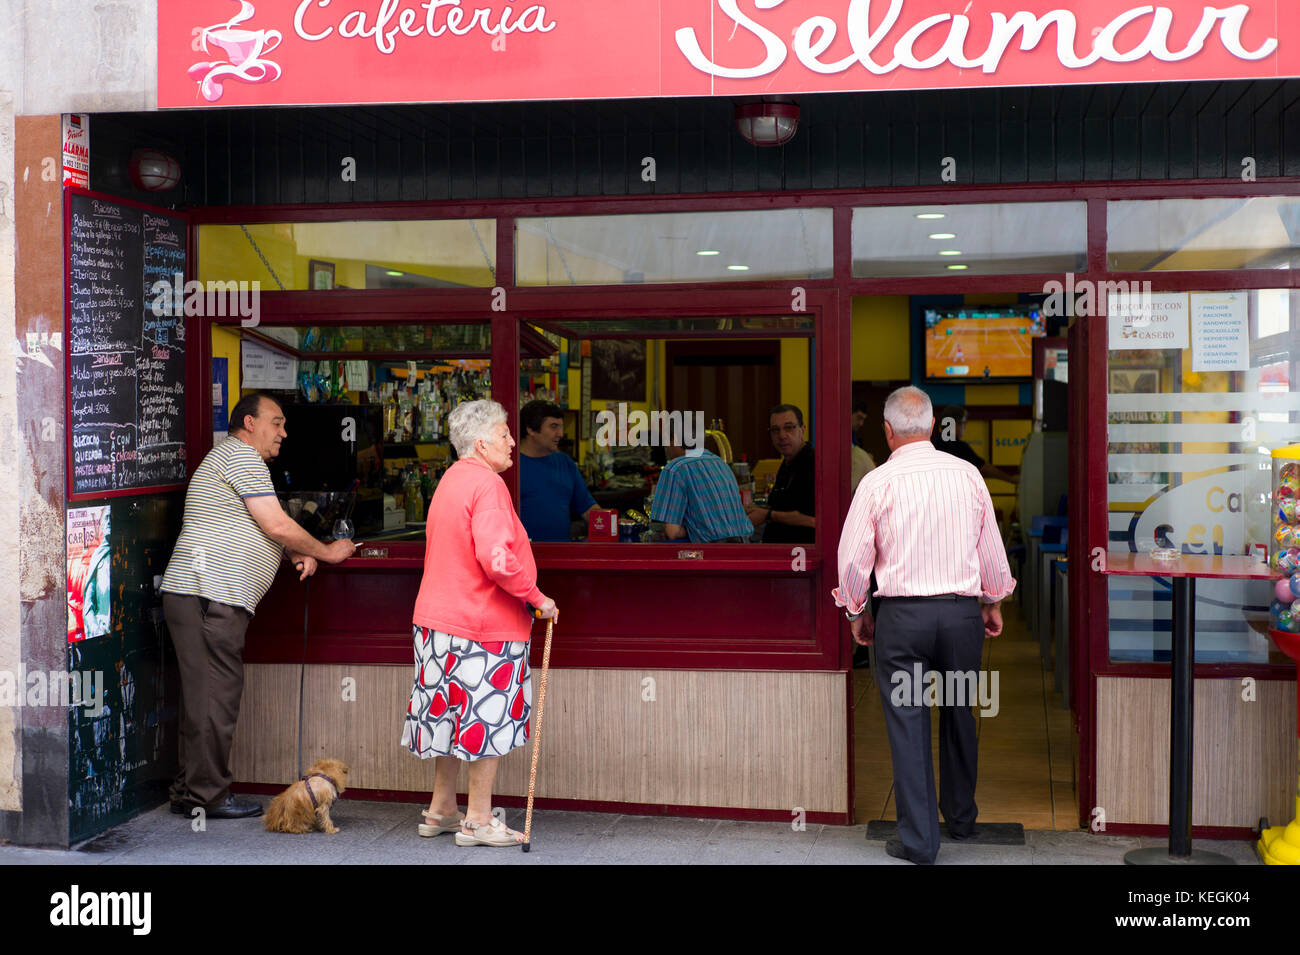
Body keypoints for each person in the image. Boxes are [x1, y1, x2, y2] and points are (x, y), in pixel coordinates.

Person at [834, 386, 1015, 864]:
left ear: (888, 431)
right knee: (959, 714)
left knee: (908, 723)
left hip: (903, 619)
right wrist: (992, 600)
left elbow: (852, 558)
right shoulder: (968, 475)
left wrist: (856, 612)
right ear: (934, 427)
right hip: (959, 616)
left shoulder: (876, 481)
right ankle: (961, 819)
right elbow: (990, 547)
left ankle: (919, 841)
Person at [161, 392, 357, 819]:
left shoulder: (233, 460)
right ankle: (206, 796)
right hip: (208, 596)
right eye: (277, 422)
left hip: (202, 595)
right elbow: (275, 523)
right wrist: (326, 551)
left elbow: (253, 525)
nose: (283, 433)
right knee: (216, 697)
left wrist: (290, 552)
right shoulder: (243, 457)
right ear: (249, 423)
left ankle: (191, 790)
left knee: (204, 698)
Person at [401, 399, 558, 847]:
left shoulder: (451, 479)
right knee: (484, 720)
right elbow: (495, 558)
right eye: (506, 433)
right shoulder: (488, 485)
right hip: (482, 625)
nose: (513, 441)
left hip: (437, 622)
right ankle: (478, 820)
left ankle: (442, 809)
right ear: (482, 442)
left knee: (450, 715)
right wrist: (537, 597)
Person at [518, 399, 598, 541]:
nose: (560, 434)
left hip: (561, 556)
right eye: (554, 426)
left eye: (560, 427)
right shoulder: (510, 466)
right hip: (522, 557)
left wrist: (615, 524)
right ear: (530, 429)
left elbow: (588, 509)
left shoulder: (565, 462)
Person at [651, 434, 752, 543]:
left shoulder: (675, 468)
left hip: (713, 551)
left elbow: (672, 532)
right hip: (745, 546)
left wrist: (693, 528)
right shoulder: (720, 462)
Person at [746, 403, 815, 544]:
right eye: (775, 430)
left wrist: (767, 515)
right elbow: (782, 507)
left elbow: (815, 520)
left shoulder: (812, 464)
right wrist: (754, 510)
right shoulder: (788, 462)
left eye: (789, 428)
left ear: (803, 429)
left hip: (800, 557)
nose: (782, 435)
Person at [933, 405, 1019, 485]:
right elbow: (984, 469)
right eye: (964, 423)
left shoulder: (934, 444)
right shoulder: (958, 446)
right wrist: (1010, 479)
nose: (965, 427)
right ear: (954, 424)